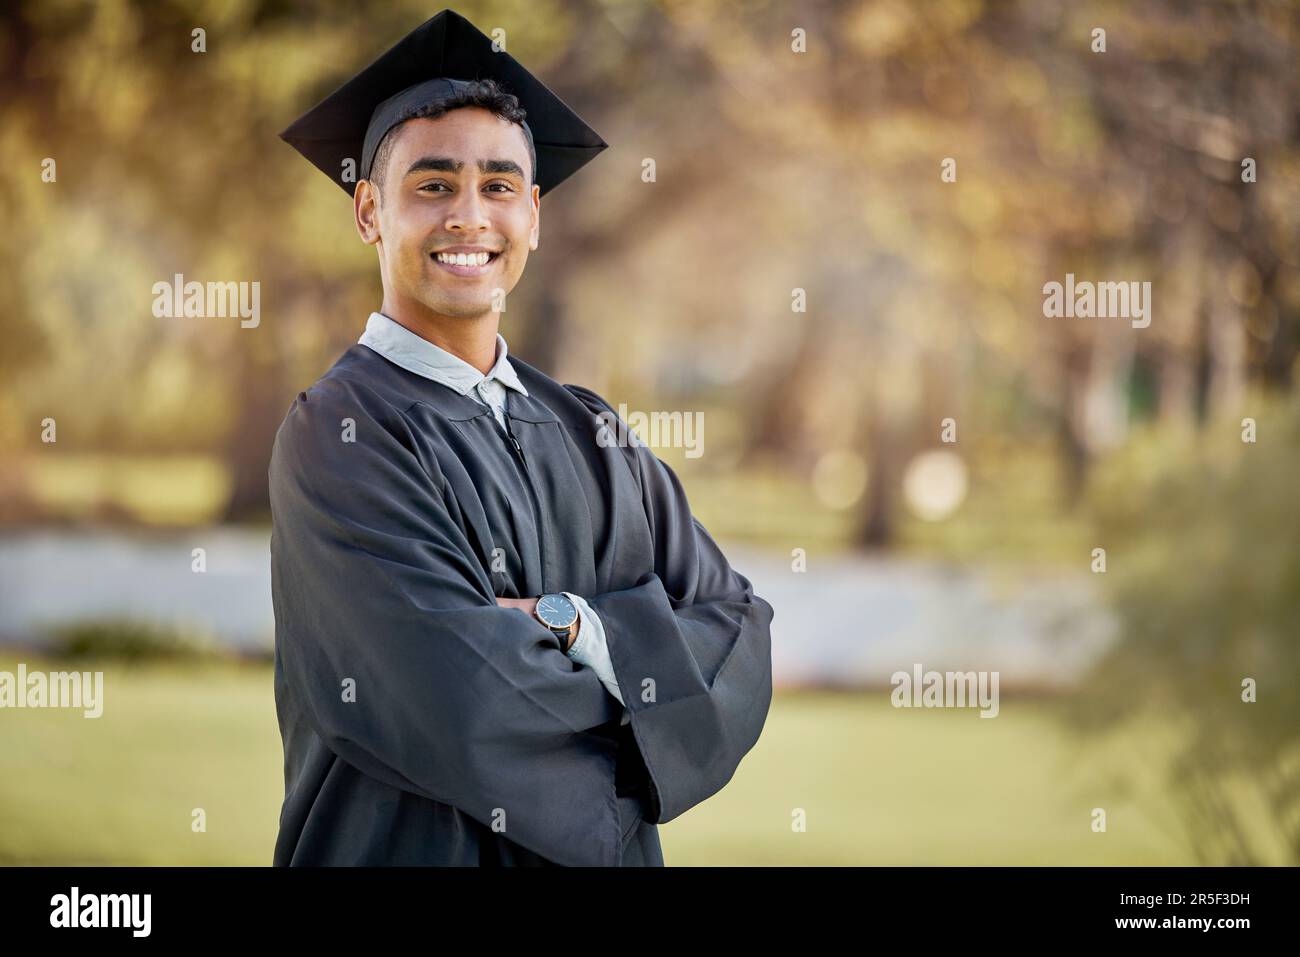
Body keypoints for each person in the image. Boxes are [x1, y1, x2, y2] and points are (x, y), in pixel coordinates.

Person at [270, 9, 774, 866]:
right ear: (368, 211)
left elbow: (739, 634)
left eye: (499, 186)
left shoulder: (594, 433)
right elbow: (454, 698)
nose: (470, 217)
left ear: (534, 215)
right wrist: (649, 695)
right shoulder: (341, 434)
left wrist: (569, 625)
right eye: (432, 185)